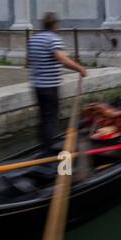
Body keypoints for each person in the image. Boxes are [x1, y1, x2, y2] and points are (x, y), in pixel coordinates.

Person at [27, 12, 86, 154]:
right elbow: (62, 59)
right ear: (54, 25)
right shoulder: (53, 39)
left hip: (37, 85)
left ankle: (44, 148)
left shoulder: (34, 39)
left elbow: (30, 60)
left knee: (43, 118)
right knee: (51, 119)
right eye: (57, 24)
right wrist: (80, 68)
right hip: (49, 86)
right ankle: (49, 154)